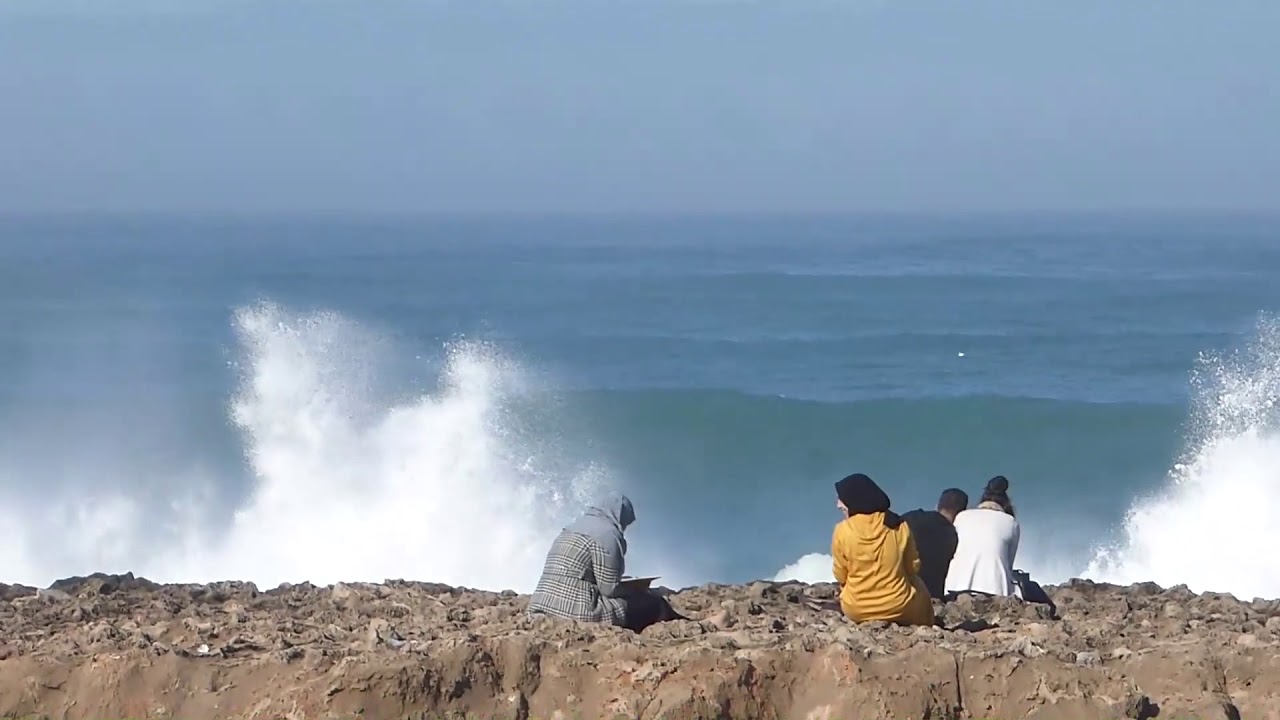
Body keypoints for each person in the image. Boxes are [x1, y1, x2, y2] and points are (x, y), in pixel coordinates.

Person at [526, 493, 685, 632]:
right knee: (653, 604)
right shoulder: (608, 534)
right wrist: (637, 589)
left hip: (540, 603)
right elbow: (609, 589)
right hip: (574, 610)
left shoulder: (571, 527)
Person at [830, 473, 934, 626]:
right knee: (920, 587)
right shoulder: (898, 525)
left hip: (856, 609)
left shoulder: (842, 531)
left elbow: (840, 575)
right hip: (900, 606)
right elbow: (913, 568)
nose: (838, 504)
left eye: (842, 499)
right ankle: (927, 627)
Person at [945, 476, 1021, 598]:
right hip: (996, 591)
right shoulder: (1011, 522)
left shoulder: (962, 517)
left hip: (955, 587)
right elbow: (1008, 564)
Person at [900, 488, 969, 600]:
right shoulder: (955, 536)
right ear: (961, 513)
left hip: (899, 590)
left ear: (937, 505)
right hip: (930, 598)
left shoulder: (911, 518)